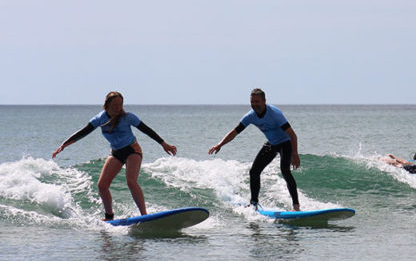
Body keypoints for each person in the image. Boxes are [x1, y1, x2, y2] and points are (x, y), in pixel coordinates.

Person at [52, 91, 177, 220]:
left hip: (132, 150)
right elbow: (83, 132)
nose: (118, 107)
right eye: (115, 105)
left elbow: (146, 130)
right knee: (102, 185)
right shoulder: (100, 119)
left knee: (131, 181)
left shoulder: (128, 117)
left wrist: (163, 144)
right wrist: (64, 145)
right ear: (107, 105)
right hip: (116, 153)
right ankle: (109, 216)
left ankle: (144, 215)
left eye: (120, 104)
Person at [208, 88, 300, 211]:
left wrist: (295, 154)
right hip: (272, 143)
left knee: (285, 170)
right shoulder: (250, 116)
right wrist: (220, 144)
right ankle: (254, 204)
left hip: (285, 143)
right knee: (254, 171)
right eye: (252, 102)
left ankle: (296, 206)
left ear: (264, 101)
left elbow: (292, 135)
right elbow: (235, 132)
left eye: (257, 102)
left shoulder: (275, 114)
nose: (254, 104)